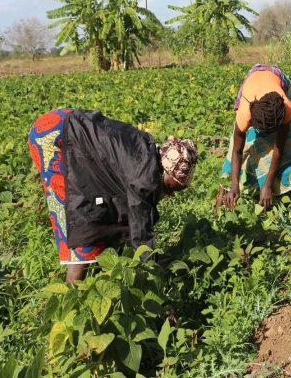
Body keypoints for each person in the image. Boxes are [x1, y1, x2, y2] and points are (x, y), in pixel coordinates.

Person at [28, 108, 197, 282]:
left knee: (105, 210)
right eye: (173, 187)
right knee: (83, 220)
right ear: (168, 170)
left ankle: (102, 276)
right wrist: (153, 267)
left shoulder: (147, 152)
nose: (170, 194)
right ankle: (72, 299)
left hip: (70, 122)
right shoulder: (144, 177)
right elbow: (140, 228)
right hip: (53, 134)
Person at [221, 64, 291, 216]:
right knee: (247, 143)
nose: (270, 133)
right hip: (252, 85)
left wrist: (268, 185)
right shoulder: (244, 114)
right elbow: (237, 151)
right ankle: (223, 196)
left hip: (277, 81)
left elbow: (279, 148)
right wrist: (234, 185)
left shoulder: (284, 108)